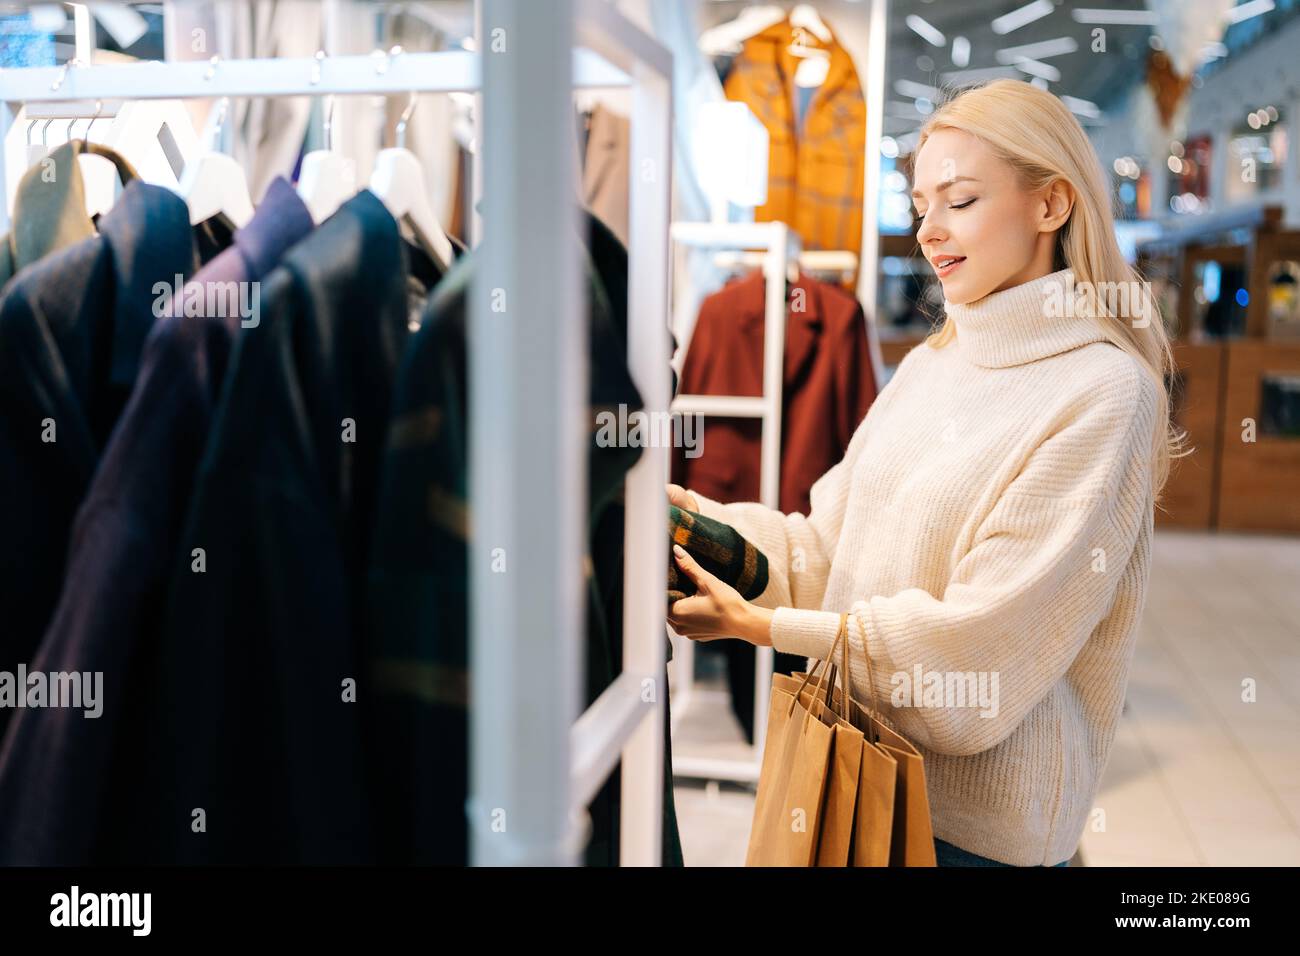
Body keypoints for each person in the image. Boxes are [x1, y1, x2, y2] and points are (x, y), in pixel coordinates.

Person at [666, 79, 1182, 868]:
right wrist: (689, 519)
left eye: (961, 200)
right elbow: (822, 551)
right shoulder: (933, 361)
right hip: (849, 781)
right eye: (919, 206)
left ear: (1052, 206)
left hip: (967, 839)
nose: (929, 231)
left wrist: (760, 628)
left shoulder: (1104, 393)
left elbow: (972, 672)